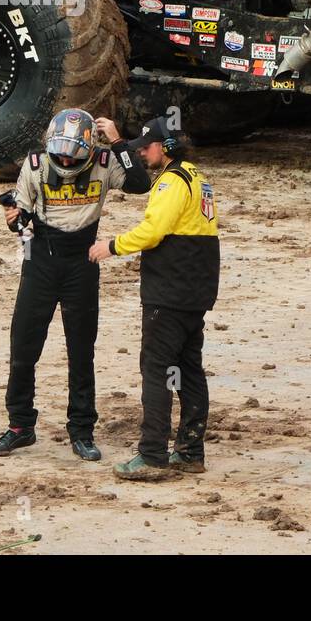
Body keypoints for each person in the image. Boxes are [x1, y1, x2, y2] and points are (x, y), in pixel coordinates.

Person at [0, 109, 152, 461]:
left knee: (81, 352)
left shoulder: (106, 160)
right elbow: (21, 224)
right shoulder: (34, 164)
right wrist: (16, 223)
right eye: (60, 152)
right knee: (24, 348)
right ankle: (20, 426)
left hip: (83, 262)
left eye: (71, 154)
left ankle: (81, 432)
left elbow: (141, 184)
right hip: (40, 262)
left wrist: (121, 141)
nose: (64, 159)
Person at [88, 116, 219, 481]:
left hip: (170, 290)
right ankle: (190, 450)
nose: (143, 151)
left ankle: (151, 455)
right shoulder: (197, 177)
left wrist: (110, 247)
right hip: (197, 288)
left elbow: (152, 232)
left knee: (157, 370)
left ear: (167, 147)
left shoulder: (172, 183)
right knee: (189, 368)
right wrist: (119, 142)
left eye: (148, 146)